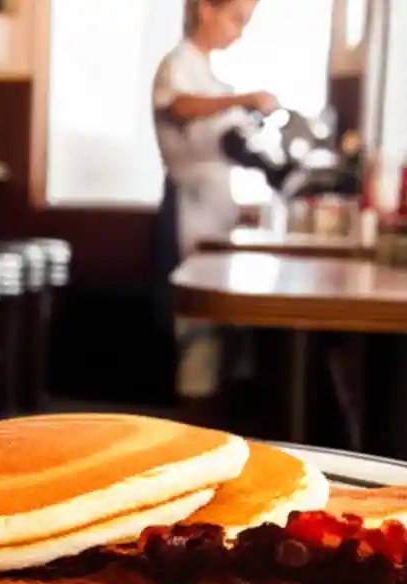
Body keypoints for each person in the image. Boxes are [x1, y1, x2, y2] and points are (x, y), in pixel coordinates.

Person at [150, 0, 291, 424]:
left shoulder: (208, 73)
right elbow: (179, 106)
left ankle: (222, 427)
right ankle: (194, 430)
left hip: (216, 208)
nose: (239, 32)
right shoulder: (177, 64)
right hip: (188, 208)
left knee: (224, 334)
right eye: (236, 20)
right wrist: (242, 99)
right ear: (206, 10)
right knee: (198, 329)